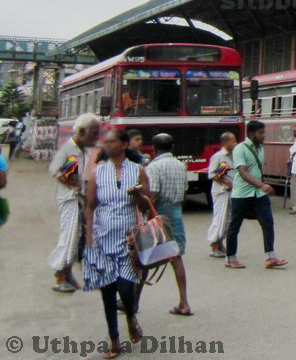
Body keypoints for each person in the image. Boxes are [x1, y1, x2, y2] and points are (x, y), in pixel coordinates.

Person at [83, 128, 146, 358]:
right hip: (102, 239)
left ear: (124, 144)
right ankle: (115, 340)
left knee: (126, 288)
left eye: (112, 142)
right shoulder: (98, 172)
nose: (107, 146)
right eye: (105, 142)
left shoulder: (138, 170)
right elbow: (90, 205)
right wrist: (89, 236)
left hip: (128, 240)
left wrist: (138, 195)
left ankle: (130, 314)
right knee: (107, 292)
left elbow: (147, 205)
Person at [225, 120, 286, 270]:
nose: (263, 136)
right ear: (251, 134)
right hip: (241, 194)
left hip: (258, 195)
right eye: (261, 133)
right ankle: (230, 258)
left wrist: (262, 187)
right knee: (234, 227)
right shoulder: (240, 149)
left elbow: (257, 170)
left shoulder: (260, 149)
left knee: (268, 223)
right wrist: (262, 185)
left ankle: (270, 257)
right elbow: (243, 172)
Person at [48, 114, 99, 293]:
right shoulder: (67, 148)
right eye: (93, 132)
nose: (96, 136)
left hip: (78, 198)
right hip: (69, 198)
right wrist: (74, 186)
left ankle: (67, 273)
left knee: (76, 237)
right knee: (69, 237)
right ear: (82, 131)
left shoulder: (82, 150)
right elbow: (55, 171)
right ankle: (60, 275)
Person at [144, 133, 192, 316]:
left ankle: (131, 301)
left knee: (143, 256)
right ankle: (184, 301)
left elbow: (153, 195)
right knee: (176, 257)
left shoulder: (153, 167)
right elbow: (185, 193)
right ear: (172, 148)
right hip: (176, 212)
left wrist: (148, 219)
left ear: (154, 149)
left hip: (159, 213)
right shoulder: (181, 166)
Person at [206, 132, 237, 257]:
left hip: (231, 192)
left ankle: (220, 242)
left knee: (228, 219)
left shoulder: (233, 156)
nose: (234, 143)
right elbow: (212, 174)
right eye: (232, 141)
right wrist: (225, 182)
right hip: (221, 192)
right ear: (225, 143)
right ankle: (214, 244)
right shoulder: (218, 156)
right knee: (220, 218)